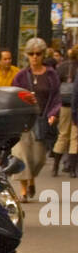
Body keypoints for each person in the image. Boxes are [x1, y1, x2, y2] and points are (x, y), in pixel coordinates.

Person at [11, 37, 60, 201]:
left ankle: (31, 178)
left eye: (38, 54)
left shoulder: (51, 74)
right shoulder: (21, 76)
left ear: (43, 55)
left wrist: (53, 113)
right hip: (23, 120)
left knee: (38, 158)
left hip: (41, 120)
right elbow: (13, 94)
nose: (34, 57)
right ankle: (23, 190)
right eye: (31, 54)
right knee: (22, 154)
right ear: (27, 55)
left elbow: (56, 97)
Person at [53, 45, 78, 177]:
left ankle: (55, 167)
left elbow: (56, 85)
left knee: (62, 135)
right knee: (75, 138)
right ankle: (72, 169)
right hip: (76, 104)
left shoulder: (62, 66)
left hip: (64, 104)